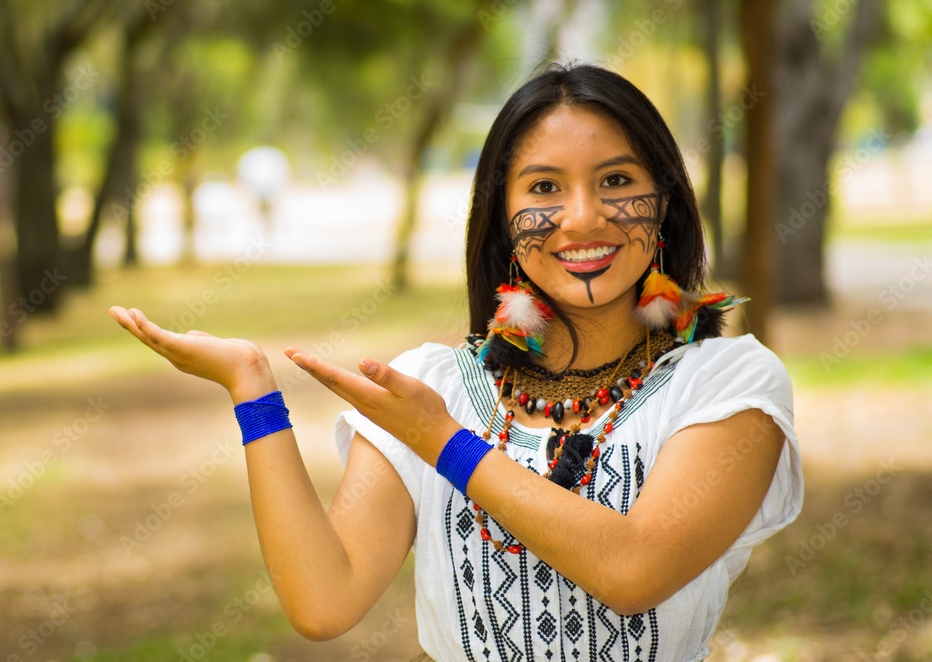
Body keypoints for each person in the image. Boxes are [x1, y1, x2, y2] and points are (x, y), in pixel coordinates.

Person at [109, 63, 802, 661]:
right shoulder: (437, 387)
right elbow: (325, 601)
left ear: (665, 203)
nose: (583, 217)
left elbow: (633, 569)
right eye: (543, 189)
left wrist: (445, 443)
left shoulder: (727, 383)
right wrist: (251, 389)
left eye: (616, 179)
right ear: (500, 217)